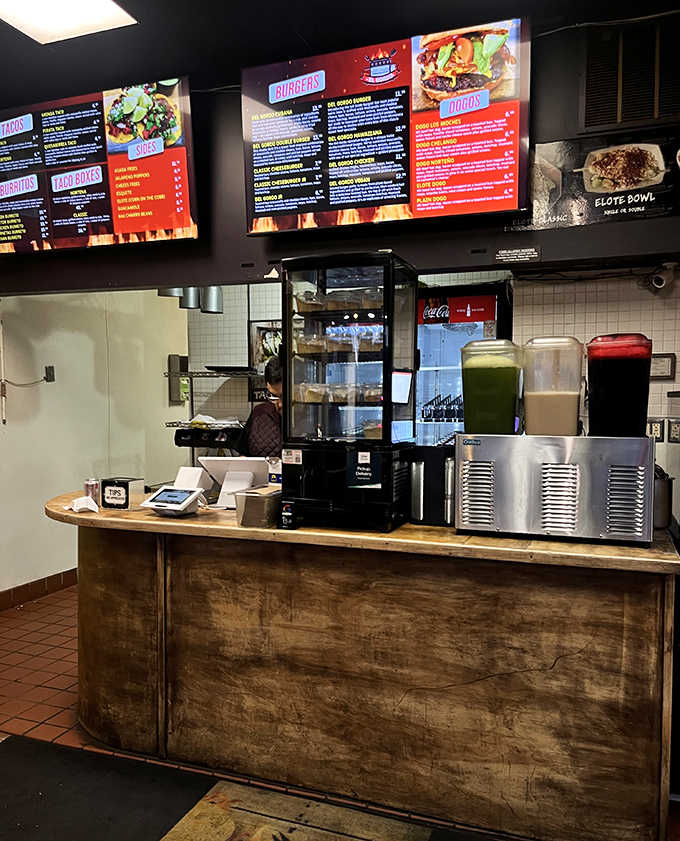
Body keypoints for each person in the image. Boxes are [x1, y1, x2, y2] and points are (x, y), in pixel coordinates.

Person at [243, 355, 282, 457]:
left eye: (285, 396)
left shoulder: (311, 417)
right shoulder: (259, 412)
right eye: (273, 396)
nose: (280, 404)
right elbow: (243, 455)